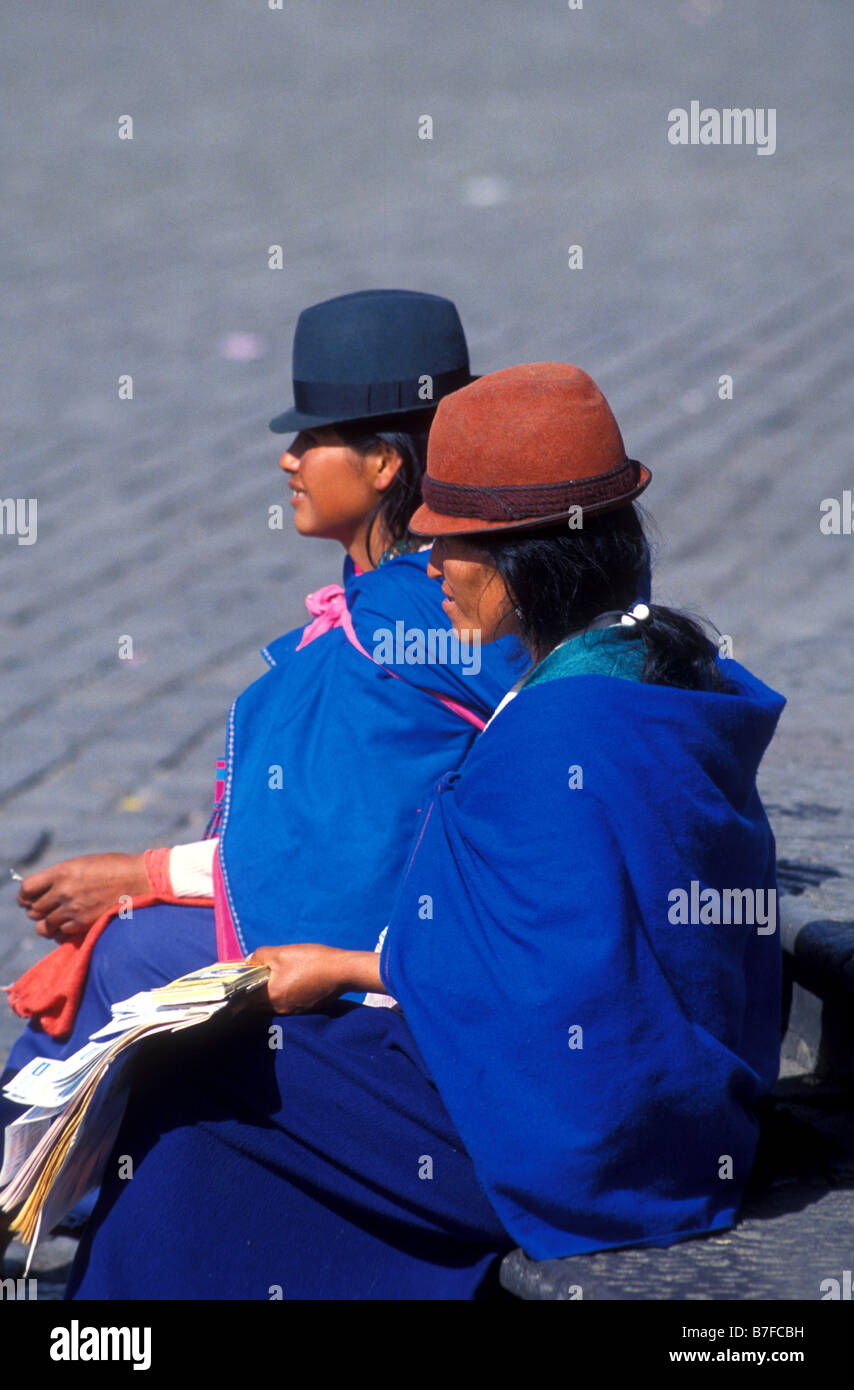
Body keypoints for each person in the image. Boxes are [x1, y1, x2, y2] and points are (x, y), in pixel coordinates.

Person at [65, 361, 781, 1302]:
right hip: (663, 1105)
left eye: (453, 546)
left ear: (530, 557)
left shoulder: (556, 734)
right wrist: (345, 964)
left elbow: (548, 995)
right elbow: (571, 956)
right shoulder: (656, 671)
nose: (431, 566)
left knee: (183, 1086)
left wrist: (358, 966)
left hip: (574, 1137)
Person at [0, 293, 525, 1238]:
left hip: (385, 981)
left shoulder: (392, 634)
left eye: (312, 436)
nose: (287, 458)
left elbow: (341, 862)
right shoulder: (425, 600)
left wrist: (141, 881)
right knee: (134, 938)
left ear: (384, 464)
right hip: (416, 942)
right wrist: (146, 880)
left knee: (130, 953)